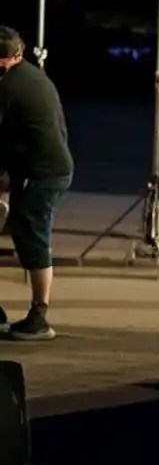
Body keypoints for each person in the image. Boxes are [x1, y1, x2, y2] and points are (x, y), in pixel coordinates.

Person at [0, 27, 72, 341]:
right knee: (23, 232)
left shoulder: (9, 86)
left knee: (33, 238)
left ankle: (39, 317)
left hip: (41, 173)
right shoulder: (33, 75)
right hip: (49, 168)